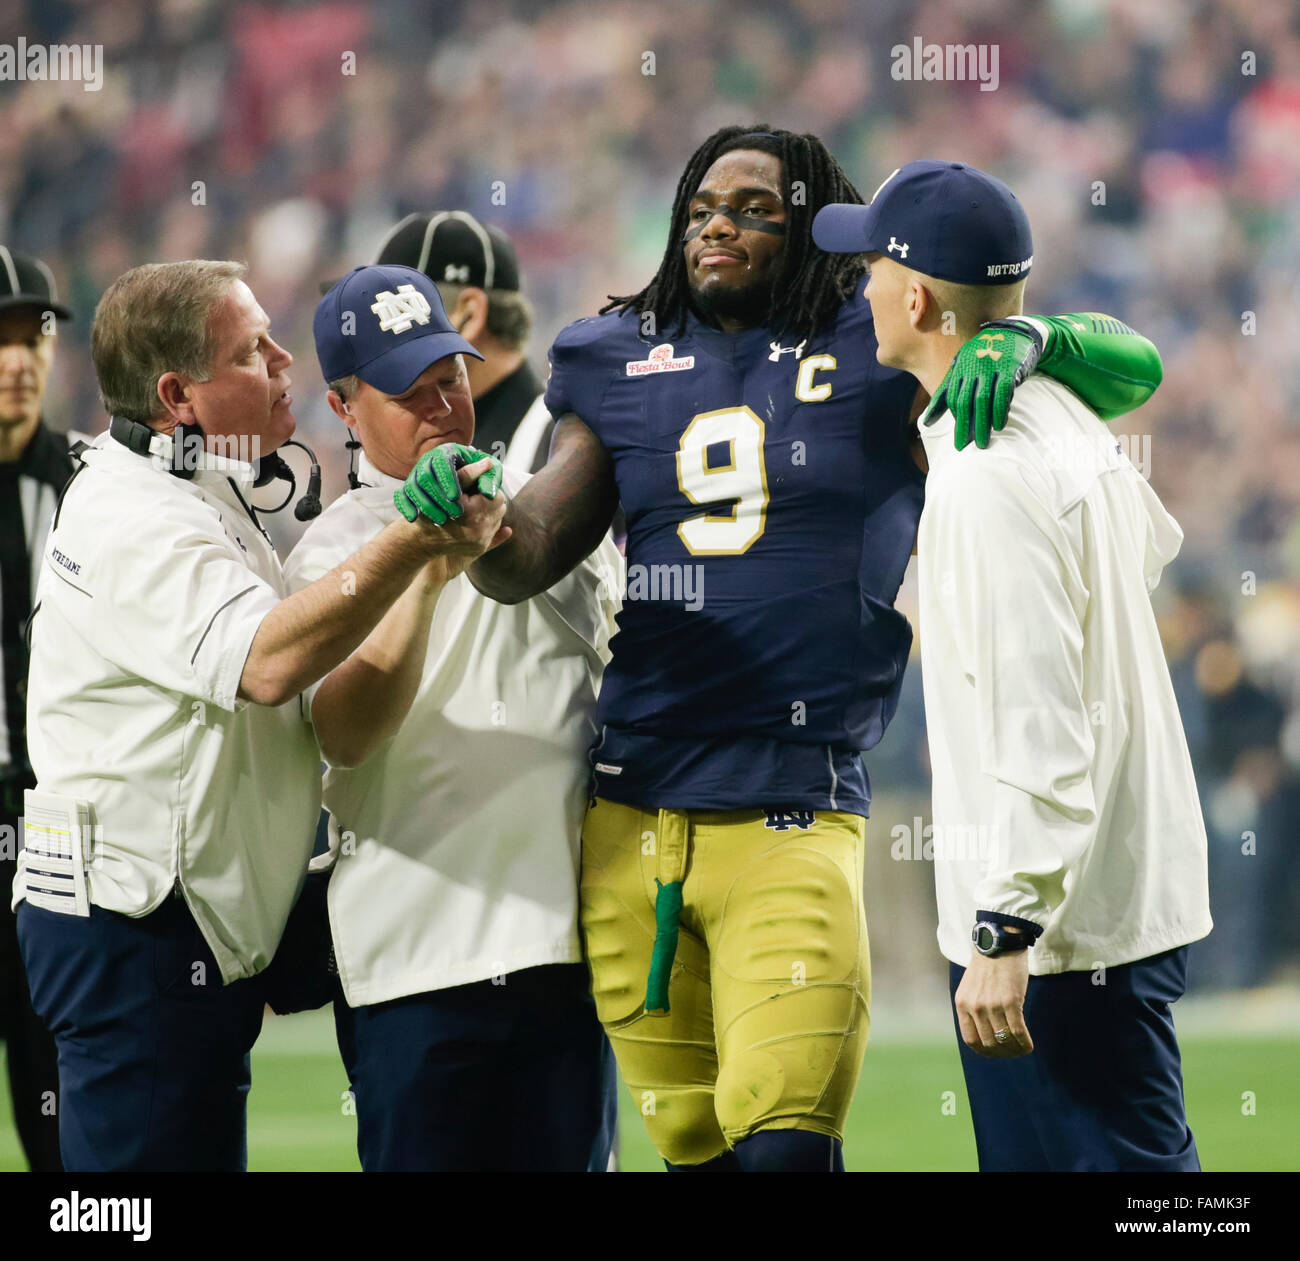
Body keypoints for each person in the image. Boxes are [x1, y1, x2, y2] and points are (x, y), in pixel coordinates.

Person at [465, 124, 1166, 1172]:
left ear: (812, 231)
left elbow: (1131, 369)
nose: (719, 225)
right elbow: (522, 558)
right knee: (694, 1152)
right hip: (632, 805)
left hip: (791, 801)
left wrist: (1037, 338)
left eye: (754, 208)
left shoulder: (880, 334)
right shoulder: (611, 352)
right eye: (702, 206)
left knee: (784, 1153)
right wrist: (465, 521)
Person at [14, 259, 507, 1172]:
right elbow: (269, 663)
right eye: (252, 350)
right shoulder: (137, 518)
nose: (287, 361)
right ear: (178, 397)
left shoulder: (189, 484)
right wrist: (414, 538)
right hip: (137, 934)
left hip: (163, 931)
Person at [813, 159, 1211, 1171]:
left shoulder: (987, 465)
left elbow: (1043, 709)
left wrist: (1004, 927)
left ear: (915, 295)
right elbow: (1138, 559)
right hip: (1099, 908)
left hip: (1058, 934)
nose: (857, 290)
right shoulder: (1059, 418)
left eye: (868, 270)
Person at [285, 263, 621, 1172]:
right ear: (345, 407)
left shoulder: (538, 508)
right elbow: (347, 733)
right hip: (411, 964)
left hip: (561, 954)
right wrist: (424, 563)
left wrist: (496, 519)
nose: (441, 404)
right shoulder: (326, 554)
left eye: (452, 377)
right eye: (409, 390)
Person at [0, 246, 75, 1172]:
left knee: (58, 1112)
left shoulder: (90, 486)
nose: (19, 360)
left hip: (55, 825)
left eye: (35, 336)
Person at [372, 210, 554, 472]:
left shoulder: (558, 444)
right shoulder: (428, 440)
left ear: (469, 315)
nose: (373, 336)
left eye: (394, 313)